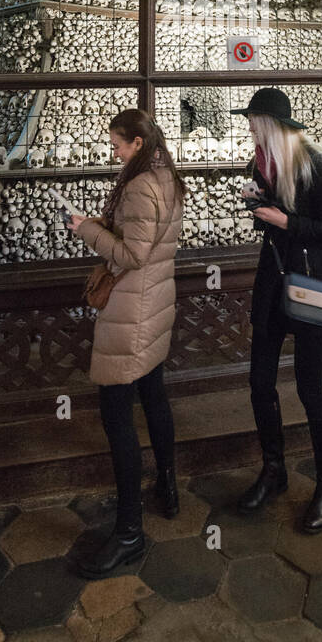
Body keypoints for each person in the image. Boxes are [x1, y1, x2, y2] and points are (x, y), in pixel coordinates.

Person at [67, 108, 185, 578]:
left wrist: (88, 230)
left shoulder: (138, 186)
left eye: (117, 143)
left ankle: (129, 533)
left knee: (118, 417)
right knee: (154, 397)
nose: (113, 150)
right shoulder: (167, 176)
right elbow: (152, 242)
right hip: (154, 307)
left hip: (131, 314)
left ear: (137, 143)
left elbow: (134, 254)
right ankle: (169, 491)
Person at [231, 87, 322, 533]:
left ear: (271, 125)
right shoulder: (259, 163)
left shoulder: (315, 165)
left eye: (254, 122)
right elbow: (267, 217)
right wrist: (255, 204)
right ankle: (274, 470)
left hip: (311, 285)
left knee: (309, 389)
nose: (249, 129)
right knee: (260, 381)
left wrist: (283, 220)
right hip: (272, 286)